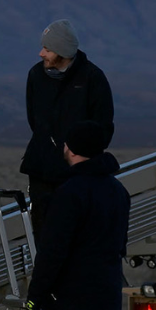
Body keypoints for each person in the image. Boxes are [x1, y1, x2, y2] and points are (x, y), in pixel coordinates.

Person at [26, 120, 131, 310]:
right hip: (108, 302)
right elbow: (121, 244)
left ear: (71, 150)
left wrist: (36, 296)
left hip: (75, 306)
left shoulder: (70, 193)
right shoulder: (118, 190)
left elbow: (53, 251)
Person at [19, 19, 114, 250]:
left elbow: (103, 124)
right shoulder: (36, 76)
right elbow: (35, 120)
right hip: (42, 171)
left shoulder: (92, 78)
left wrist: (81, 155)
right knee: (45, 239)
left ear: (62, 52)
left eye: (48, 49)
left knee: (78, 238)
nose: (41, 53)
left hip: (78, 173)